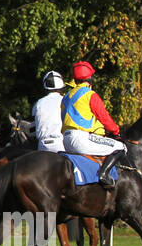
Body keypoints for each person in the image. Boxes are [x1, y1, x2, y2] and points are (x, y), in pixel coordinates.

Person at [61, 60, 126, 188]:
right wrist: (116, 131)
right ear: (90, 77)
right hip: (81, 138)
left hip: (66, 140)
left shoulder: (66, 96)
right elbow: (104, 117)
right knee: (121, 147)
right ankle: (104, 174)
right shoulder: (90, 94)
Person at [34, 70, 66, 152]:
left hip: (42, 145)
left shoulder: (39, 103)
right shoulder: (65, 101)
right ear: (61, 87)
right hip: (60, 144)